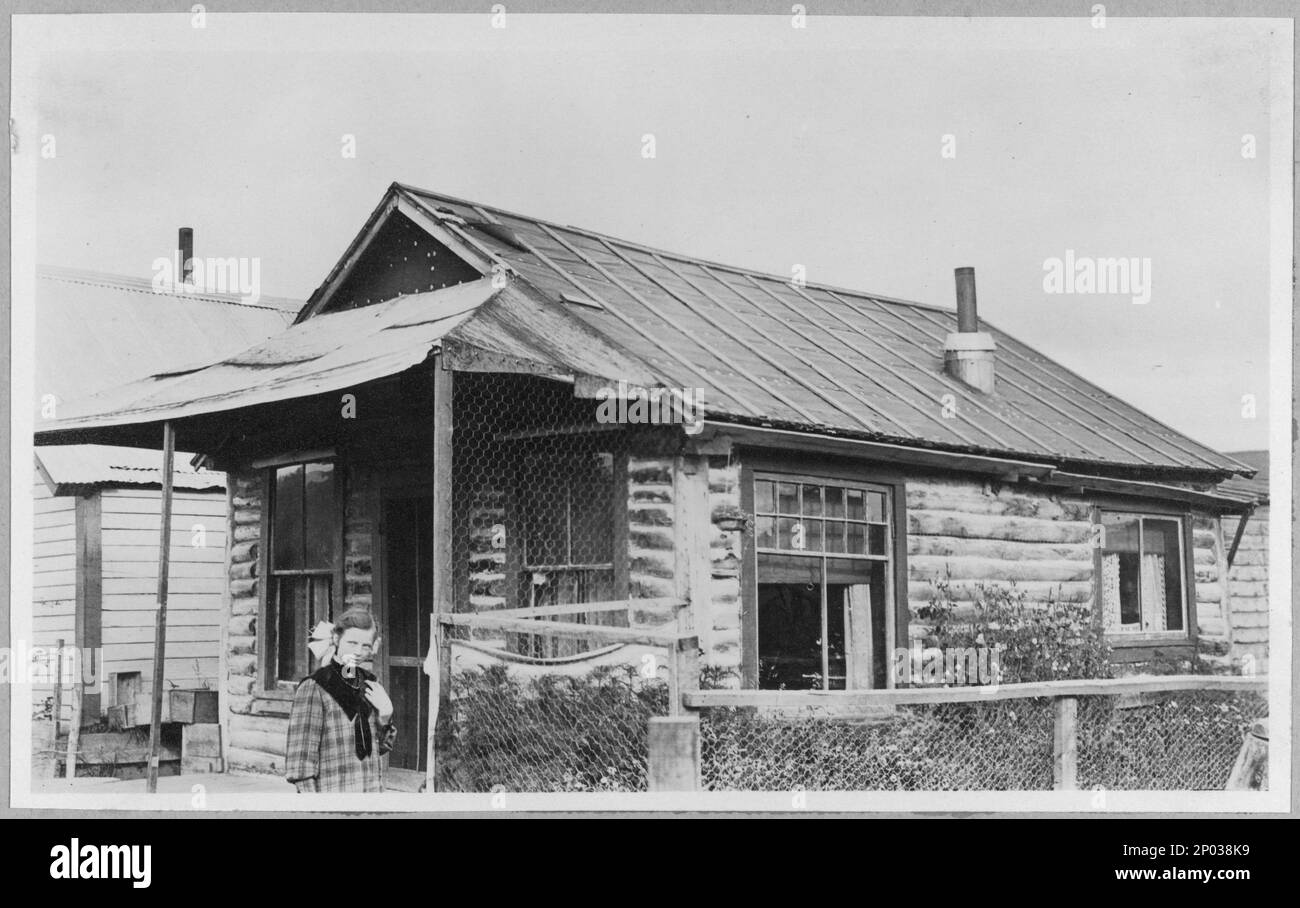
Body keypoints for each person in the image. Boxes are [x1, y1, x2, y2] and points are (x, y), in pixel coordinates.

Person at [285, 608, 396, 792]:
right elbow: (300, 766)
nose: (358, 652)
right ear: (336, 639)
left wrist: (385, 716)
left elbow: (377, 749)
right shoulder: (315, 686)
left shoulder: (370, 684)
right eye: (352, 643)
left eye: (366, 645)